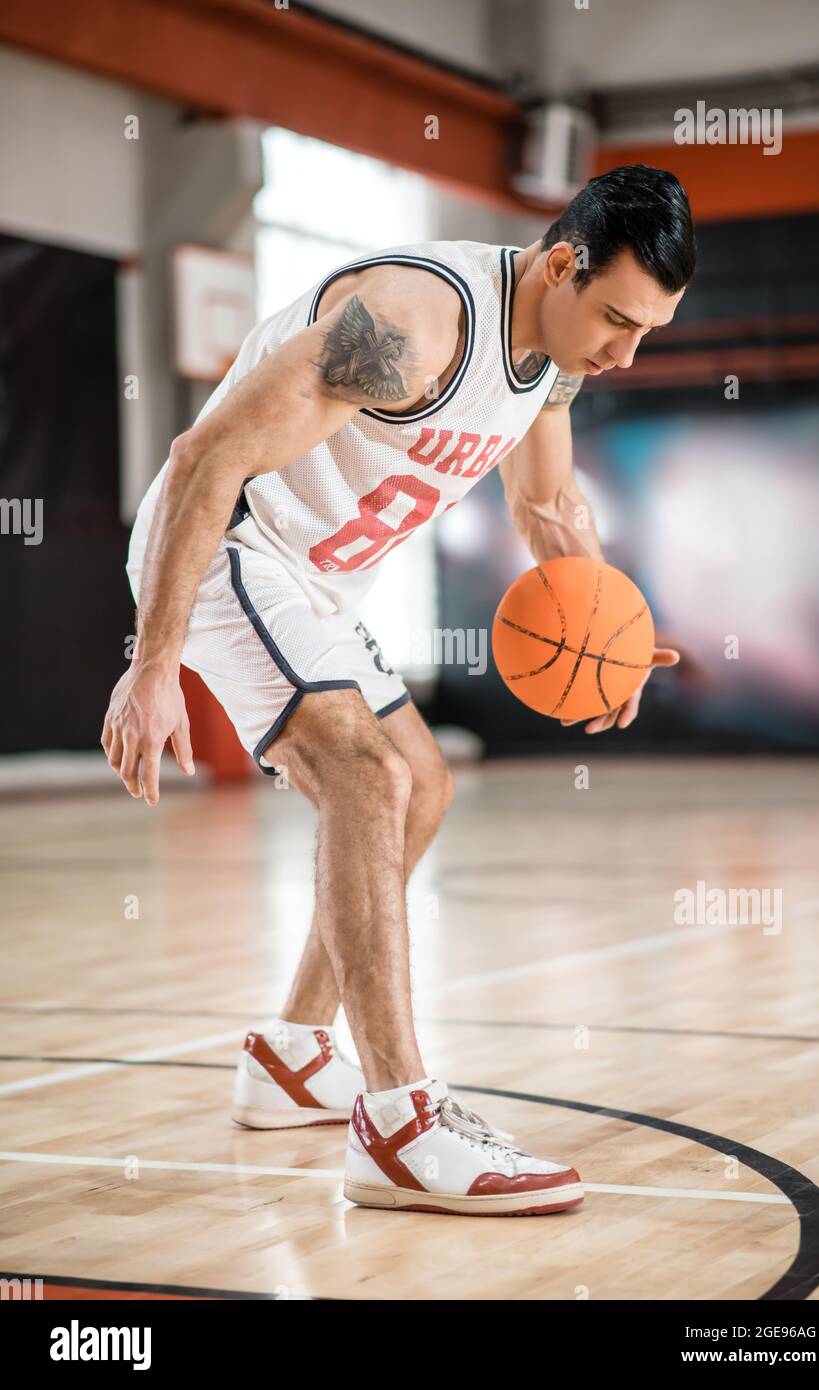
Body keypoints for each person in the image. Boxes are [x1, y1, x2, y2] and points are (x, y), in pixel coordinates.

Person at [102, 163, 695, 1216]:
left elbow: (549, 504)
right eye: (614, 318)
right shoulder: (413, 324)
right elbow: (206, 456)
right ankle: (399, 1123)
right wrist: (153, 665)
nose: (623, 352)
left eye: (645, 331)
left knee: (421, 785)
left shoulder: (548, 359)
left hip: (314, 578)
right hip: (226, 550)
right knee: (366, 779)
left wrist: (611, 621)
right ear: (558, 264)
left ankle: (290, 1056)